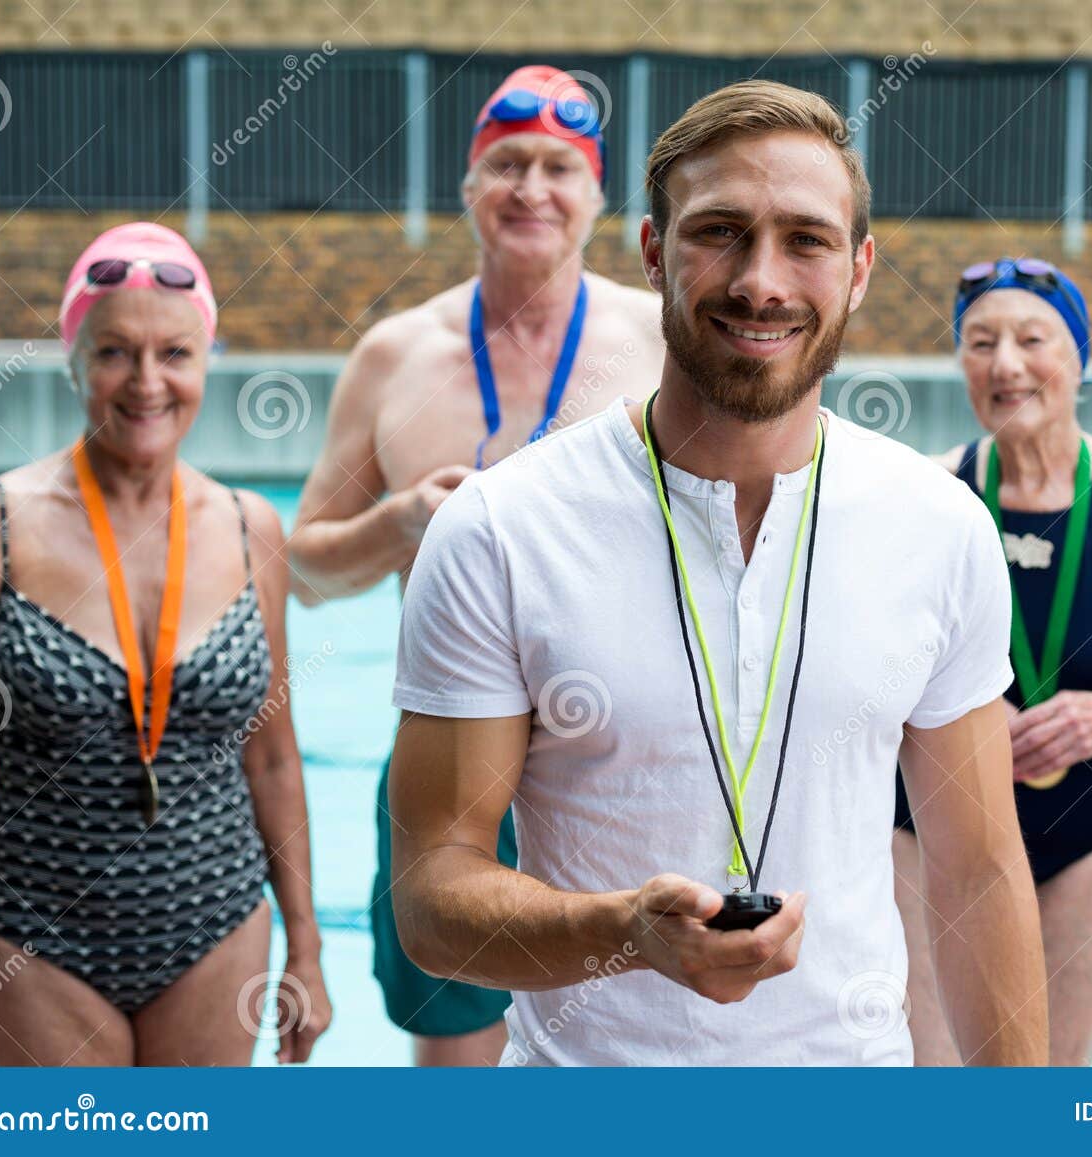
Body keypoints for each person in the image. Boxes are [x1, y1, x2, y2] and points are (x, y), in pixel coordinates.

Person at [385, 80, 1048, 1067]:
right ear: (653, 250)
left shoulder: (938, 527)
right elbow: (433, 898)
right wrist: (624, 929)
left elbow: (980, 871)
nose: (760, 281)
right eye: (720, 232)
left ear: (859, 268)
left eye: (806, 240)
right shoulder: (501, 528)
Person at [287, 65, 663, 1066]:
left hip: (626, 755)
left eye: (557, 166)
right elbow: (305, 569)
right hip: (451, 751)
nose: (530, 188)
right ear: (467, 188)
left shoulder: (659, 338)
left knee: (631, 1041)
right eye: (505, 164)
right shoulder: (397, 355)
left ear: (595, 196)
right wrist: (402, 523)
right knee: (456, 1052)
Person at [0, 222, 329, 1067]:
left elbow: (275, 760)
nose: (146, 382)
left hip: (217, 926)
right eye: (114, 352)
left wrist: (309, 950)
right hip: (36, 943)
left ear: (205, 361)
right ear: (74, 358)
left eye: (174, 354)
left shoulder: (252, 528)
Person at [892, 258, 1092, 1065]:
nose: (1006, 364)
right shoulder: (930, 495)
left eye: (1033, 339)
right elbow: (870, 684)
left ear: (1077, 358)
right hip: (936, 825)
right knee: (932, 1073)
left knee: (1051, 1083)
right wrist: (951, 717)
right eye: (980, 342)